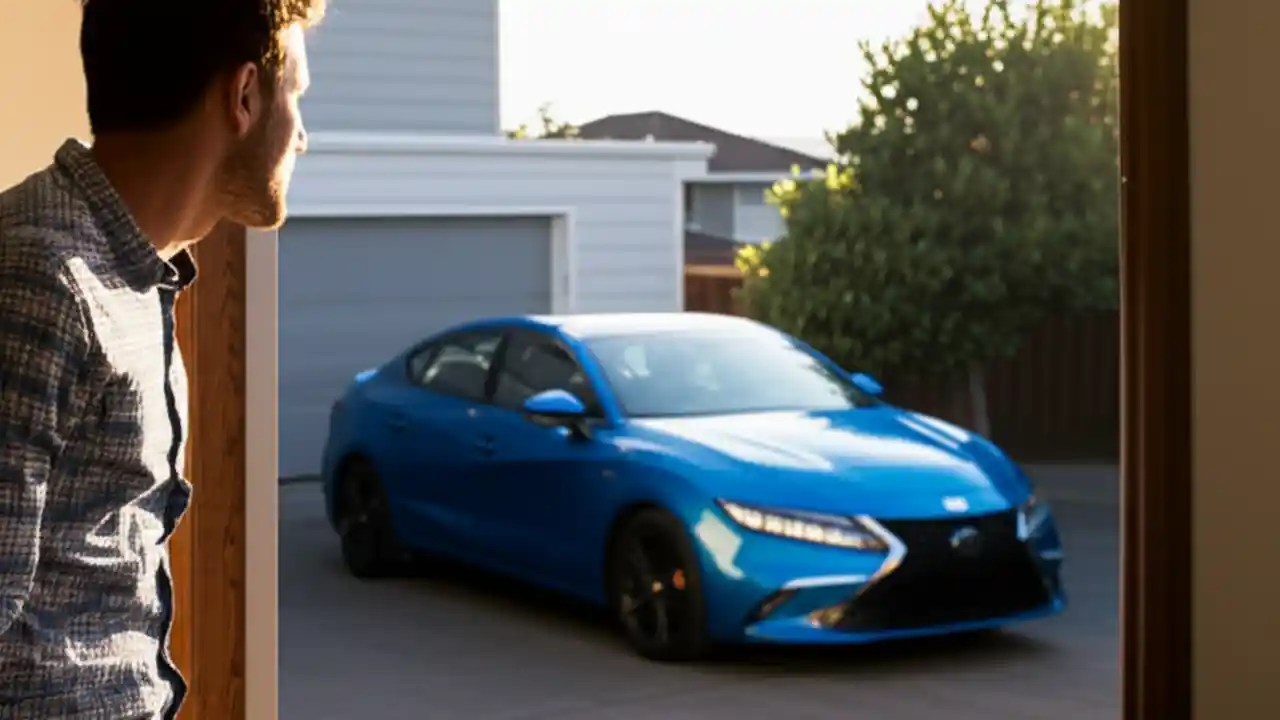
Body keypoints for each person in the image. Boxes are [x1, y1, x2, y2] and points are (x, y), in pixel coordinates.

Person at [0, 1, 325, 717]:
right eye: (296, 96)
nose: (302, 136)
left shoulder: (129, 276)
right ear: (244, 96)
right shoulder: (41, 281)